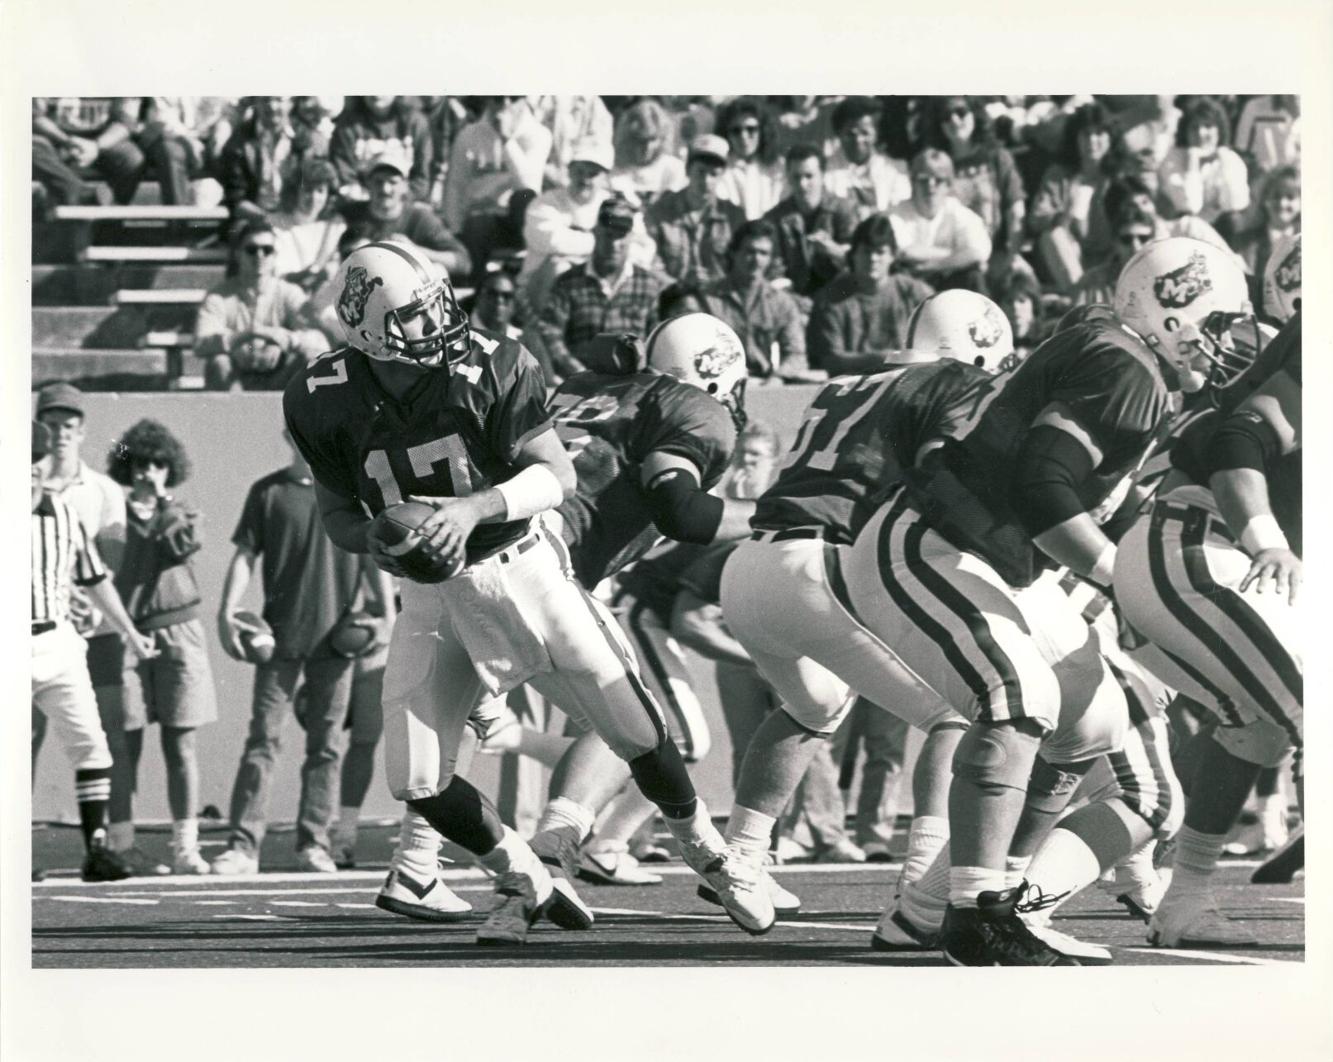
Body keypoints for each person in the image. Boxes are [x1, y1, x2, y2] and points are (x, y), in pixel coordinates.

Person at [284, 243, 769, 945]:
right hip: (432, 596)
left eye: (437, 302)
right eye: (417, 315)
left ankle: (710, 854)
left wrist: (466, 513)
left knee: (635, 727)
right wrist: (388, 540)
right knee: (416, 778)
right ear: (368, 329)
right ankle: (523, 876)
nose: (440, 321)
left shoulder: (491, 362)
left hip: (525, 566)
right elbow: (337, 516)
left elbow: (554, 477)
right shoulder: (318, 396)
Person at [841, 238, 1253, 964]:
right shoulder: (1126, 367)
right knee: (1017, 695)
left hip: (998, 558)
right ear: (1169, 311)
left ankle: (985, 895)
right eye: (1215, 325)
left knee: (1091, 719)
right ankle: (974, 910)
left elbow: (1069, 491)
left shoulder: (1114, 347)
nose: (1222, 348)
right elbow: (1041, 488)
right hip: (937, 540)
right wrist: (1120, 582)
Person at [714, 291, 1015, 931]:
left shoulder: (847, 383)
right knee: (956, 714)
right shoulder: (949, 383)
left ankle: (740, 855)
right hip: (820, 563)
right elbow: (940, 479)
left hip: (748, 566)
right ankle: (919, 894)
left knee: (812, 703)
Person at [1114, 310, 1301, 947]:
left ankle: (1184, 897)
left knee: (1260, 731)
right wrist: (1267, 540)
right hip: (1201, 549)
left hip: (1206, 562)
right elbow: (1239, 438)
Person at [210, 431, 402, 878]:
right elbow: (244, 556)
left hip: (337, 642)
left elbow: (373, 559)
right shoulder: (268, 492)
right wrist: (225, 611)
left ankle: (313, 844)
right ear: (286, 439)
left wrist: (385, 622)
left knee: (327, 747)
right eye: (299, 438)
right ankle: (242, 847)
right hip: (278, 639)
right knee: (263, 741)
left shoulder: (352, 498)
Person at [32, 385, 167, 875]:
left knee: (102, 738)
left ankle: (108, 846)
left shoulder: (89, 500)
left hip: (77, 637)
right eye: (53, 424)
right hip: (25, 635)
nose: (62, 434)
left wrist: (121, 627)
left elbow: (103, 571)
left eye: (71, 425)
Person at [107, 419, 218, 875]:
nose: (146, 471)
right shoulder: (109, 512)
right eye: (138, 462)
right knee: (124, 743)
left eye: (156, 463)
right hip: (125, 634)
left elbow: (184, 544)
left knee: (181, 745)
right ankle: (121, 844)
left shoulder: (183, 510)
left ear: (169, 467)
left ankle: (185, 847)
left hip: (179, 632)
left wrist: (162, 504)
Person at [532, 195, 665, 383]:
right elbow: (550, 332)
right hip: (581, 384)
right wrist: (578, 373)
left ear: (631, 238)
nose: (614, 244)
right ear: (595, 232)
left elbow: (656, 339)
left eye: (621, 236)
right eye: (608, 235)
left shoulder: (648, 284)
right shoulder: (568, 282)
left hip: (633, 386)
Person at [518, 136, 654, 313]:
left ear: (605, 177)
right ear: (569, 170)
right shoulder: (545, 204)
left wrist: (586, 248)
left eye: (593, 173)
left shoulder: (616, 206)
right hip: (538, 292)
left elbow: (643, 247)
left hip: (598, 286)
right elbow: (552, 241)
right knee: (560, 268)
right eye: (579, 170)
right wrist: (607, 244)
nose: (585, 179)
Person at [196, 217, 329, 392]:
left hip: (280, 380)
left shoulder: (289, 292)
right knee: (218, 362)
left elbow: (321, 342)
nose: (259, 256)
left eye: (267, 250)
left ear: (275, 256)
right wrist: (239, 339)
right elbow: (200, 342)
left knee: (313, 360)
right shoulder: (219, 295)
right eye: (251, 250)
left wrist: (281, 339)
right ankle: (229, 419)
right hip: (235, 382)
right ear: (238, 254)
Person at [806, 215, 935, 376]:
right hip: (851, 386)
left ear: (892, 256)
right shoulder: (831, 298)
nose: (873, 259)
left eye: (880, 252)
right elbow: (830, 360)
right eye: (866, 252)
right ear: (853, 254)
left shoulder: (914, 293)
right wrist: (883, 359)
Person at [915, 96, 1026, 283]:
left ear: (975, 115)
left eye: (961, 112)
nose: (954, 120)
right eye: (946, 116)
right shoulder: (934, 164)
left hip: (996, 256)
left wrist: (1010, 256)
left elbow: (1015, 211)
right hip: (947, 258)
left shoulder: (997, 158)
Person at [443, 96, 551, 278]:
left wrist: (506, 139)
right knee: (477, 225)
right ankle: (473, 289)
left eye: (514, 98)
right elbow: (455, 187)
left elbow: (527, 184)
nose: (506, 104)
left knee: (524, 197)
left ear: (525, 100)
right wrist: (456, 231)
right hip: (482, 217)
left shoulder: (539, 134)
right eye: (499, 98)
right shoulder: (468, 135)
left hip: (519, 219)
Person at [1027, 101, 1119, 292]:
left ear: (1110, 139)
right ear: (1075, 138)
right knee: (1053, 235)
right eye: (1086, 134)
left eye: (1099, 133)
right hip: (1070, 257)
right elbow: (1037, 219)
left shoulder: (1119, 178)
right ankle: (1080, 299)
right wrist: (1064, 215)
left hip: (1110, 258)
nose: (1092, 141)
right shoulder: (1059, 175)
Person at [701, 220, 808, 379]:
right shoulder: (707, 299)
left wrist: (777, 378)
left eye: (763, 253)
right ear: (733, 253)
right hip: (718, 383)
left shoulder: (782, 303)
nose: (756, 260)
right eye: (749, 252)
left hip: (763, 386)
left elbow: (796, 355)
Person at [339, 148, 471, 276]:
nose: (385, 189)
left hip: (409, 294)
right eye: (378, 182)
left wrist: (413, 251)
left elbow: (462, 262)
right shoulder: (350, 213)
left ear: (404, 185)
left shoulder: (420, 218)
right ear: (368, 183)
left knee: (438, 271)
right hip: (359, 290)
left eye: (393, 182)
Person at [645, 135, 746, 288]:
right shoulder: (659, 212)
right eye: (700, 172)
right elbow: (650, 266)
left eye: (713, 174)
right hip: (672, 300)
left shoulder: (734, 216)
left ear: (722, 176)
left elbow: (742, 268)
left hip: (720, 301)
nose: (706, 181)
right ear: (687, 170)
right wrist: (681, 285)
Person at [887, 149, 992, 293]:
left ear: (949, 185)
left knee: (974, 277)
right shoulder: (896, 212)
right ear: (912, 182)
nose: (930, 185)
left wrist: (931, 266)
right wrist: (957, 254)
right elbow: (904, 252)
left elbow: (977, 252)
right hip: (910, 284)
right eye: (923, 179)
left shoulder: (958, 212)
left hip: (947, 282)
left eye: (939, 180)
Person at [762, 144, 860, 299]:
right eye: (796, 177)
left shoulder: (844, 209)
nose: (802, 184)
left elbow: (859, 262)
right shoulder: (774, 218)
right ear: (787, 177)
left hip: (838, 297)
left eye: (809, 176)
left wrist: (833, 250)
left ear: (822, 175)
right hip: (792, 298)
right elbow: (773, 268)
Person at [218, 96, 329, 226]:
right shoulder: (238, 143)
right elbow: (236, 200)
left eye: (279, 100)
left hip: (298, 219)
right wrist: (269, 220)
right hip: (254, 221)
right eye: (265, 99)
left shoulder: (308, 140)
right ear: (256, 102)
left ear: (291, 103)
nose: (272, 106)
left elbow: (318, 188)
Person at [1157, 97, 1251, 235]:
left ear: (1219, 130)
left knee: (1233, 220)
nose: (1201, 134)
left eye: (1208, 126)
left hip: (1220, 232)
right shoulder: (1172, 159)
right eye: (1194, 127)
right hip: (1183, 231)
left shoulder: (1230, 159)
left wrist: (1224, 162)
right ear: (1185, 130)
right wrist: (1192, 163)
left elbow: (1235, 204)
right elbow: (1189, 206)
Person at [32, 97, 144, 208]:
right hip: (54, 138)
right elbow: (34, 115)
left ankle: (109, 220)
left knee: (131, 157)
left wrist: (96, 146)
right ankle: (81, 194)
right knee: (30, 147)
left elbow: (125, 122)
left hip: (102, 140)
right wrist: (65, 141)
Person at [329, 95, 433, 204]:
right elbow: (344, 175)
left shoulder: (415, 122)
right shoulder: (347, 125)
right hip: (359, 203)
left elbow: (422, 179)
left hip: (404, 203)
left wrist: (395, 199)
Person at [822, 96, 911, 218]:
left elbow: (901, 213)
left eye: (865, 133)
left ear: (876, 134)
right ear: (839, 134)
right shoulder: (825, 171)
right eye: (850, 134)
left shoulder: (896, 171)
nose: (858, 140)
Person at [271, 158, 346, 292]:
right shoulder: (276, 224)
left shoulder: (335, 226)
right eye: (307, 190)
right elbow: (276, 272)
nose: (313, 197)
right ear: (295, 192)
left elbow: (337, 267)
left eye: (320, 191)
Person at [715, 97, 788, 221]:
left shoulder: (779, 167)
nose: (744, 136)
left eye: (751, 129)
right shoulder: (719, 169)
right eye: (736, 131)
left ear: (763, 131)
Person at [608, 98, 687, 208]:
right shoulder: (613, 168)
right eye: (641, 140)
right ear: (628, 139)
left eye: (653, 139)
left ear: (662, 138)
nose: (647, 147)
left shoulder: (673, 169)